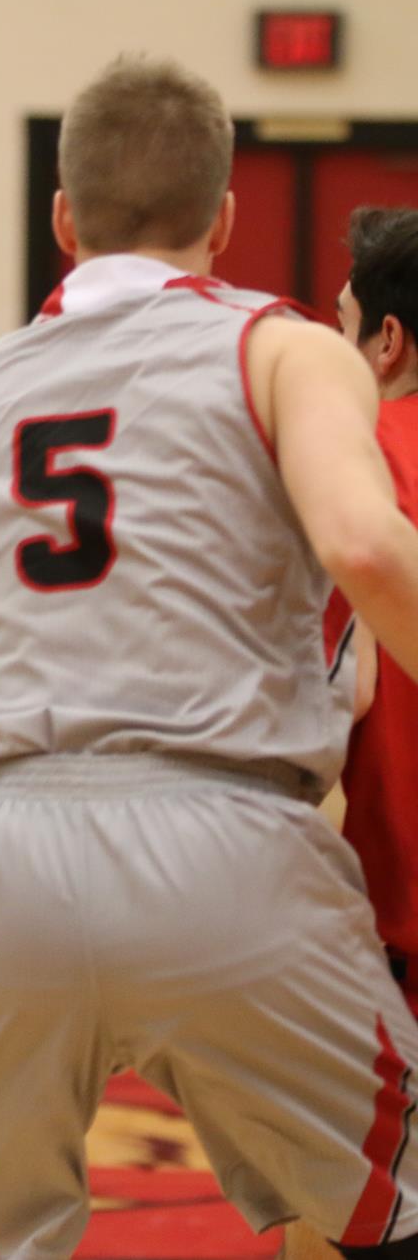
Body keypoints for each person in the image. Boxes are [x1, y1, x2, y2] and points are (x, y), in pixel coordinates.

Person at [0, 56, 418, 1259]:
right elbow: (363, 546)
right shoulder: (284, 350)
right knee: (389, 1212)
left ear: (62, 220)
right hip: (228, 850)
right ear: (222, 220)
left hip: (3, 866)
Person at [335, 206, 418, 1025]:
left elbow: (340, 694)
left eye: (343, 326)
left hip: (401, 922)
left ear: (386, 341)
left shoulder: (352, 454)